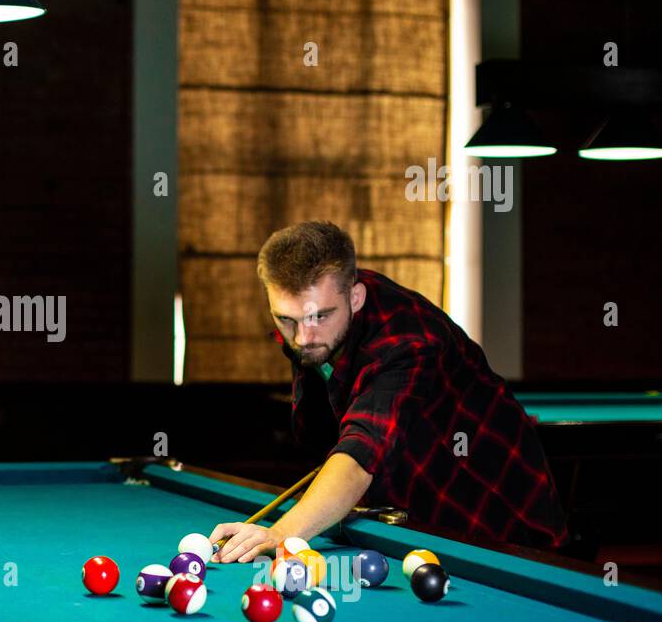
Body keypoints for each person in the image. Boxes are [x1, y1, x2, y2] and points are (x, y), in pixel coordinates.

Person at [211, 220, 568, 563]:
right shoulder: (313, 330)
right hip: (417, 500)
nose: (303, 337)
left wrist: (283, 532)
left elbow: (361, 451)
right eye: (286, 320)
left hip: (497, 510)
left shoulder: (406, 340)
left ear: (355, 296)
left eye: (320, 317)